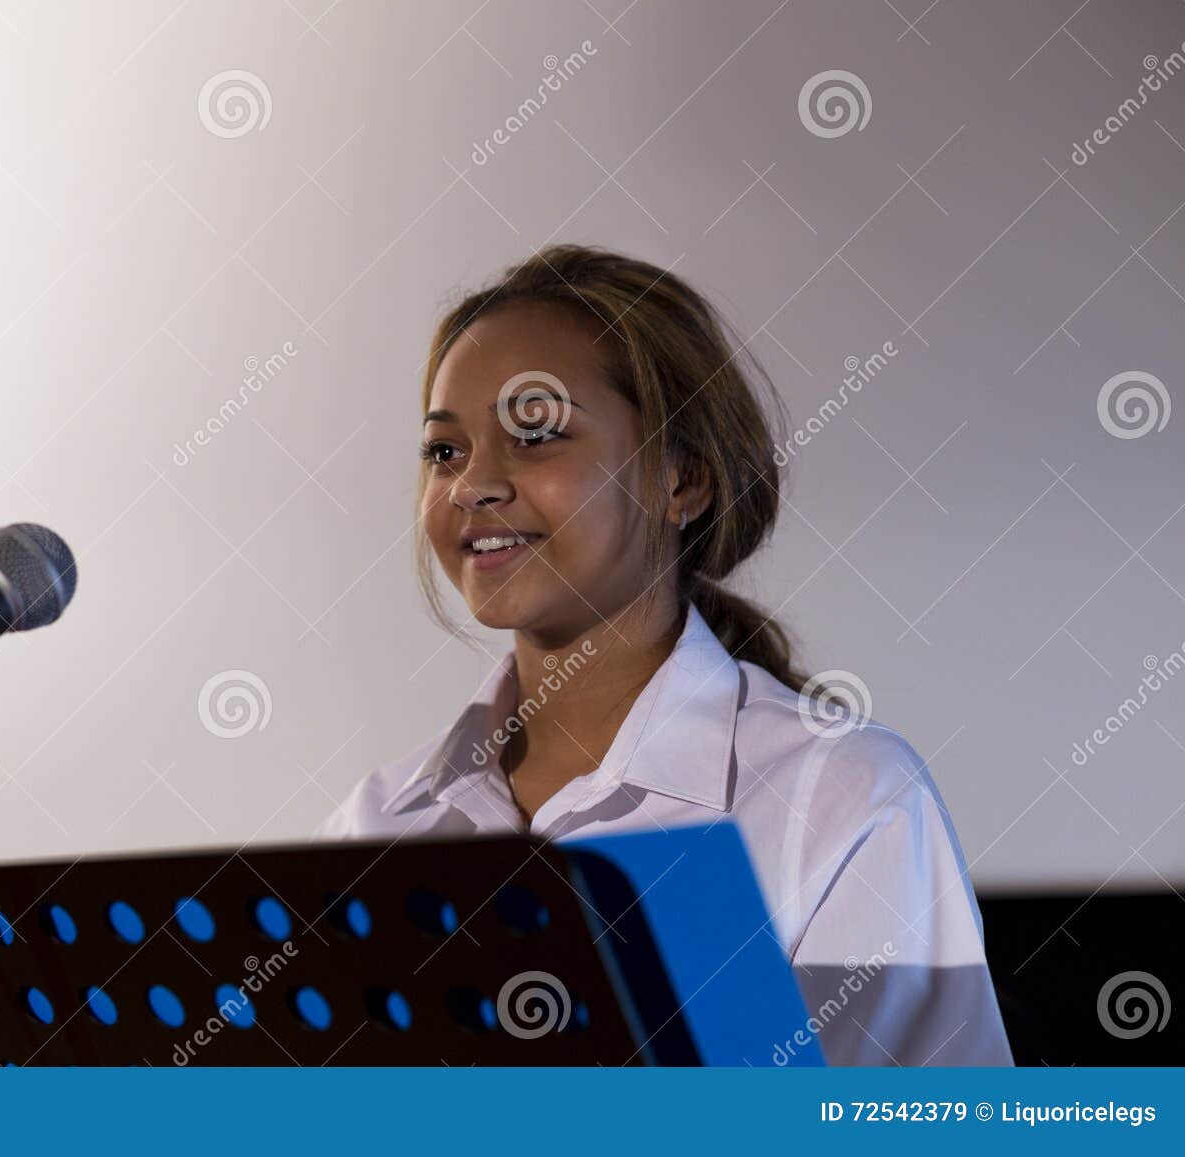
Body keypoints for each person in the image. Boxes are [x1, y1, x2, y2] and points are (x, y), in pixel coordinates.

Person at [315, 244, 1013, 1066]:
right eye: (445, 451)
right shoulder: (376, 827)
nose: (472, 485)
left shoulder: (846, 798)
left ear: (684, 481)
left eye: (535, 435)